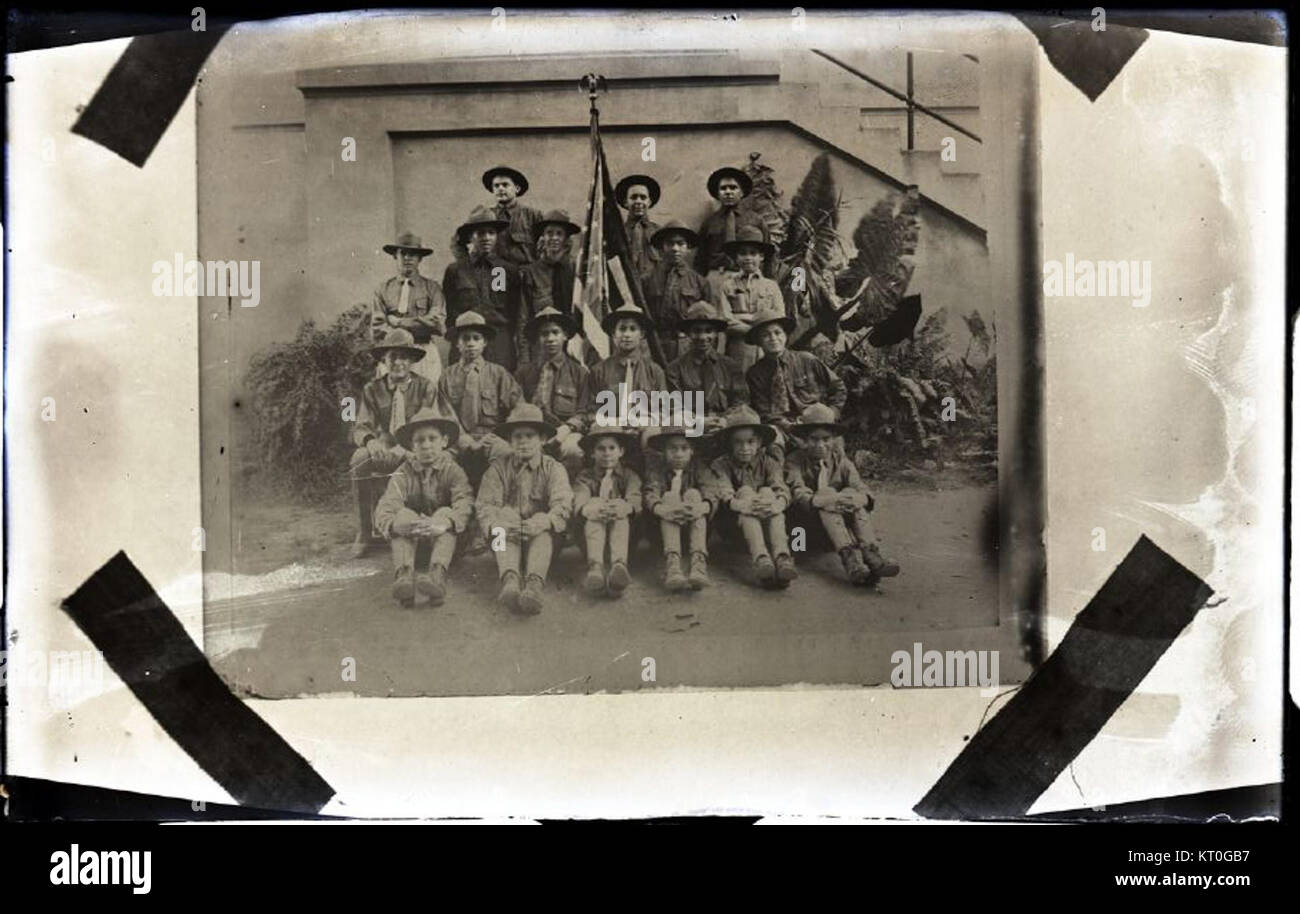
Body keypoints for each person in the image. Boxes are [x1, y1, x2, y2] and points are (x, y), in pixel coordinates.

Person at [784, 404, 901, 587]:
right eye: (814, 439)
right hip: (805, 530)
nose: (820, 445)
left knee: (850, 492)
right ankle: (851, 560)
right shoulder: (794, 461)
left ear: (834, 439)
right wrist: (828, 500)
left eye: (826, 439)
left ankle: (871, 554)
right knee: (827, 492)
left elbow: (860, 487)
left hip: (837, 527)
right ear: (804, 440)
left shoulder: (841, 461)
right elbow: (798, 493)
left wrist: (858, 498)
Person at [475, 403, 574, 616]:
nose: (523, 442)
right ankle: (510, 579)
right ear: (510, 440)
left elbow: (563, 504)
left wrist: (541, 522)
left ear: (543, 440)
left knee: (542, 519)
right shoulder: (498, 468)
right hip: (505, 540)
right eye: (517, 436)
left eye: (530, 436)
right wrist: (498, 523)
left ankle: (534, 585)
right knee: (504, 514)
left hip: (541, 541)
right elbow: (485, 506)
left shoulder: (553, 468)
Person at [348, 329, 439, 557]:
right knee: (359, 459)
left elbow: (430, 423)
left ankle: (425, 529)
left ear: (413, 360)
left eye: (404, 357)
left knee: (430, 457)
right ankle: (365, 532)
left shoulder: (426, 387)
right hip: (385, 449)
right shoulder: (372, 388)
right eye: (392, 357)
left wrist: (408, 447)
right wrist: (370, 442)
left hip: (415, 448)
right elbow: (361, 425)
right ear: (384, 360)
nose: (398, 362)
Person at [374, 408, 474, 607]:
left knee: (446, 512)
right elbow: (386, 506)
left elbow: (465, 502)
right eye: (419, 440)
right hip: (414, 543)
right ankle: (404, 578)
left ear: (444, 441)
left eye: (432, 439)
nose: (426, 446)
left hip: (447, 544)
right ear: (411, 446)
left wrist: (444, 523)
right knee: (401, 514)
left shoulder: (453, 470)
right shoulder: (403, 473)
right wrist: (394, 525)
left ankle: (437, 577)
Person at [703, 406, 797, 589]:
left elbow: (781, 488)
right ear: (730, 443)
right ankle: (761, 559)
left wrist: (777, 504)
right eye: (738, 442)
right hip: (735, 526)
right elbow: (725, 493)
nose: (744, 448)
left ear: (760, 442)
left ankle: (782, 557)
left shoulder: (769, 462)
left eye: (750, 442)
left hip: (768, 520)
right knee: (745, 491)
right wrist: (745, 505)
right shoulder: (720, 464)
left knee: (768, 493)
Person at [745, 308, 847, 459]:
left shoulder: (807, 360)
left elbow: (838, 388)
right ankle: (779, 478)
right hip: (783, 426)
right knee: (774, 443)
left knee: (833, 446)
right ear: (758, 342)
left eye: (777, 333)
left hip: (814, 422)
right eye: (765, 335)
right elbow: (764, 411)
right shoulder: (755, 373)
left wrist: (831, 412)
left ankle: (834, 476)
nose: (773, 338)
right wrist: (790, 427)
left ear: (785, 335)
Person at [577, 303, 669, 461]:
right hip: (610, 429)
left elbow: (664, 409)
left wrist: (645, 421)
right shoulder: (598, 371)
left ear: (642, 334)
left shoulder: (654, 371)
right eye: (622, 329)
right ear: (613, 333)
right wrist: (614, 424)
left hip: (643, 428)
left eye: (633, 329)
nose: (626, 335)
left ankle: (653, 481)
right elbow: (589, 411)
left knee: (654, 434)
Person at [438, 311, 521, 486]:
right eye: (465, 339)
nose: (471, 344)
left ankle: (497, 502)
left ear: (484, 343)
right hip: (457, 438)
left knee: (506, 454)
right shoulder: (447, 376)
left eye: (476, 338)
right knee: (440, 460)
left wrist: (498, 434)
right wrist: (461, 438)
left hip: (492, 436)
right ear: (457, 344)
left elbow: (518, 409)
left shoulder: (498, 373)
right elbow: (445, 413)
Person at [514, 306, 588, 476]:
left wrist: (567, 429)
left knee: (572, 450)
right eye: (544, 334)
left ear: (565, 336)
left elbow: (585, 411)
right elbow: (517, 406)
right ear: (537, 339)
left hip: (566, 431)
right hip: (533, 430)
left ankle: (568, 494)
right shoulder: (523, 373)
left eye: (555, 332)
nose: (550, 338)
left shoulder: (579, 373)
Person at [442, 206, 518, 369]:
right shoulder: (456, 270)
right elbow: (450, 314)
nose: (486, 238)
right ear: (470, 236)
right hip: (466, 342)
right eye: (480, 233)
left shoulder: (506, 270)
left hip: (499, 344)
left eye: (491, 233)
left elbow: (515, 311)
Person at [572, 427, 642, 598]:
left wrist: (624, 507)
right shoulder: (585, 476)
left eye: (612, 448)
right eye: (601, 449)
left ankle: (619, 566)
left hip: (623, 539)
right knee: (594, 503)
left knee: (620, 505)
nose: (607, 453)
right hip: (592, 539)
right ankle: (595, 566)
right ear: (592, 454)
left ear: (621, 452)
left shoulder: (629, 476)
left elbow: (635, 498)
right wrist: (592, 509)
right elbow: (580, 498)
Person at [642, 425, 712, 591]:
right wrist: (664, 510)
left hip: (693, 529)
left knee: (694, 494)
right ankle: (673, 565)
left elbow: (711, 491)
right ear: (664, 451)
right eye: (672, 448)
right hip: (663, 532)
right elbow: (650, 492)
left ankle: (698, 563)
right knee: (669, 496)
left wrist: (700, 507)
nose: (678, 454)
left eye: (684, 448)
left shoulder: (699, 468)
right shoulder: (656, 470)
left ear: (692, 451)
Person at [370, 231, 448, 383]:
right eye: (403, 253)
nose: (407, 258)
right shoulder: (383, 289)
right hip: (393, 355)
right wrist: (418, 323)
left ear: (419, 258)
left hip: (424, 352)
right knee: (391, 399)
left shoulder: (432, 288)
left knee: (427, 398)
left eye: (413, 254)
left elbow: (436, 324)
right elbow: (378, 328)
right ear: (395, 256)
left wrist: (398, 323)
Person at [666, 302, 747, 440]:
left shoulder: (730, 365)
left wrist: (725, 420)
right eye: (697, 331)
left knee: (749, 418)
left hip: (725, 423)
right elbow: (676, 405)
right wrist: (700, 421)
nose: (703, 337)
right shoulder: (675, 368)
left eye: (708, 331)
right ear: (688, 333)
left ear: (716, 333)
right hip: (692, 424)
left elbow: (740, 401)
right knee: (674, 422)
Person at [714, 225, 784, 371]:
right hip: (739, 348)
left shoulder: (771, 286)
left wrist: (742, 317)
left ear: (762, 257)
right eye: (743, 253)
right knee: (740, 385)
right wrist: (756, 326)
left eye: (753, 253)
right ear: (736, 257)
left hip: (767, 348)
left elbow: (779, 318)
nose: (748, 258)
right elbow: (725, 320)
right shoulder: (727, 285)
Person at [518, 209, 579, 371]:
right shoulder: (531, 272)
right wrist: (525, 358)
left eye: (559, 234)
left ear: (566, 239)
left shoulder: (576, 270)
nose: (554, 238)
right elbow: (523, 316)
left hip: (573, 346)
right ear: (542, 237)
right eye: (549, 233)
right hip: (541, 346)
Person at [642, 220, 712, 362]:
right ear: (662, 247)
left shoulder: (700, 282)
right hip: (655, 342)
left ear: (688, 248)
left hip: (687, 344)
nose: (675, 248)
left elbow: (709, 322)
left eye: (680, 244)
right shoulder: (647, 279)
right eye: (670, 244)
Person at [695, 165, 769, 281]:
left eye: (733, 188)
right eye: (723, 188)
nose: (728, 192)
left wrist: (769, 281)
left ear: (742, 192)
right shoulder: (710, 222)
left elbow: (769, 256)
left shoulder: (756, 220)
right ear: (718, 194)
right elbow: (700, 258)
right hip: (717, 276)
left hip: (748, 277)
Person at [483, 165, 544, 268]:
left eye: (505, 185)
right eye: (496, 186)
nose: (500, 189)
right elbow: (458, 242)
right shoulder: (485, 216)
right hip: (496, 275)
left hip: (525, 275)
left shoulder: (533, 215)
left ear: (517, 188)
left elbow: (545, 246)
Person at [614, 174, 662, 283]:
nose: (638, 201)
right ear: (626, 202)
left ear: (649, 202)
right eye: (633, 197)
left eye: (643, 197)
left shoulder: (659, 232)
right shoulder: (617, 233)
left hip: (655, 288)